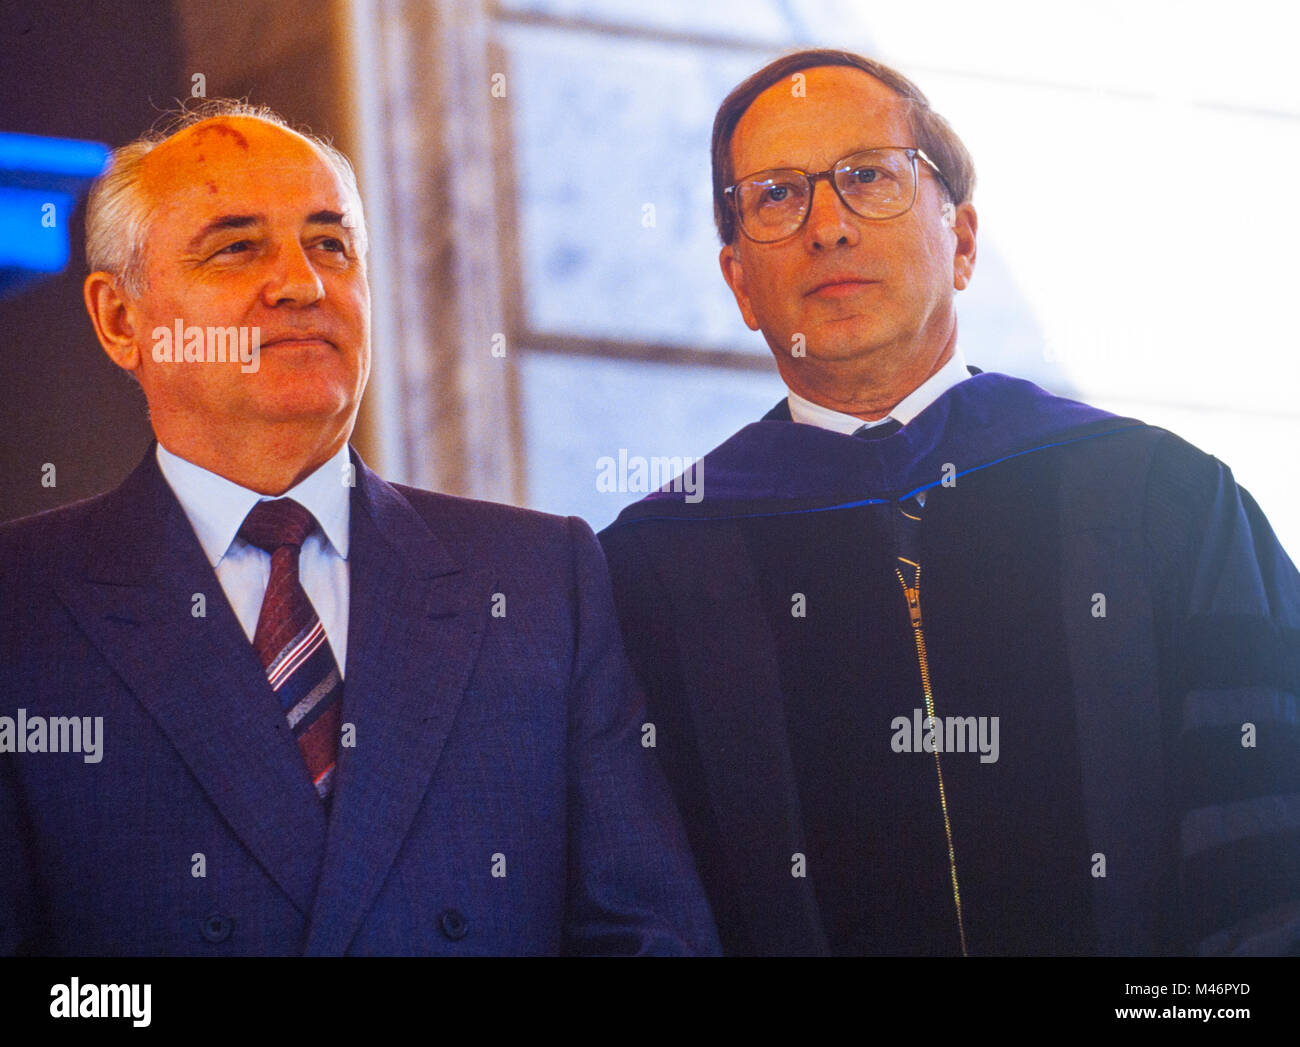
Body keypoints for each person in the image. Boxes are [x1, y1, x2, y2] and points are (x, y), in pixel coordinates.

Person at [598, 49, 1300, 956]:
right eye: (777, 195)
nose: (828, 228)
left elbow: (1269, 865)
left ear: (963, 240)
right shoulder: (647, 573)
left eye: (867, 177)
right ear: (738, 280)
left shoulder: (1164, 501)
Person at [0, 101, 718, 957]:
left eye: (331, 244)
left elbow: (648, 934)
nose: (304, 282)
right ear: (121, 319)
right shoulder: (23, 603)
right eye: (238, 245)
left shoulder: (538, 579)